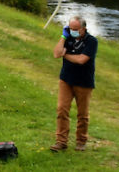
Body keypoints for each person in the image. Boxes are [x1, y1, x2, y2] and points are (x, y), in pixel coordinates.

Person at [51, 15, 98, 152]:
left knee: (82, 114)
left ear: (83, 29)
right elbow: (56, 53)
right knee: (62, 109)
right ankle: (61, 141)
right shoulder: (68, 38)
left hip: (84, 82)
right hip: (66, 80)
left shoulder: (91, 41)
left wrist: (65, 55)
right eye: (70, 28)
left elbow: (81, 60)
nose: (73, 31)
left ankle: (81, 141)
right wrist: (63, 37)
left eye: (76, 29)